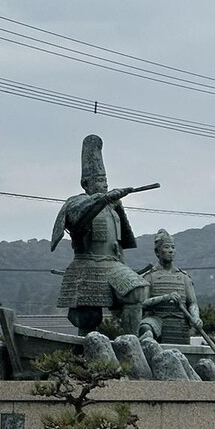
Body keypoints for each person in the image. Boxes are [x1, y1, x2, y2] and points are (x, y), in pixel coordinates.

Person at [51, 134, 148, 335]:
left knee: (136, 291)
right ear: (85, 183)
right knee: (88, 318)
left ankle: (131, 343)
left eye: (105, 181)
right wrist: (102, 199)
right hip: (88, 265)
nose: (104, 185)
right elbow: (78, 220)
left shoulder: (113, 207)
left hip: (112, 265)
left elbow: (119, 243)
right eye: (99, 180)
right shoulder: (76, 203)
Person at [141, 229, 202, 346]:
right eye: (166, 247)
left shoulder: (183, 277)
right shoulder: (149, 277)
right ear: (157, 252)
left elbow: (192, 303)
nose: (171, 251)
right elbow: (142, 303)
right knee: (145, 327)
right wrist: (164, 298)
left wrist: (196, 317)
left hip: (179, 326)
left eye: (173, 248)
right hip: (156, 322)